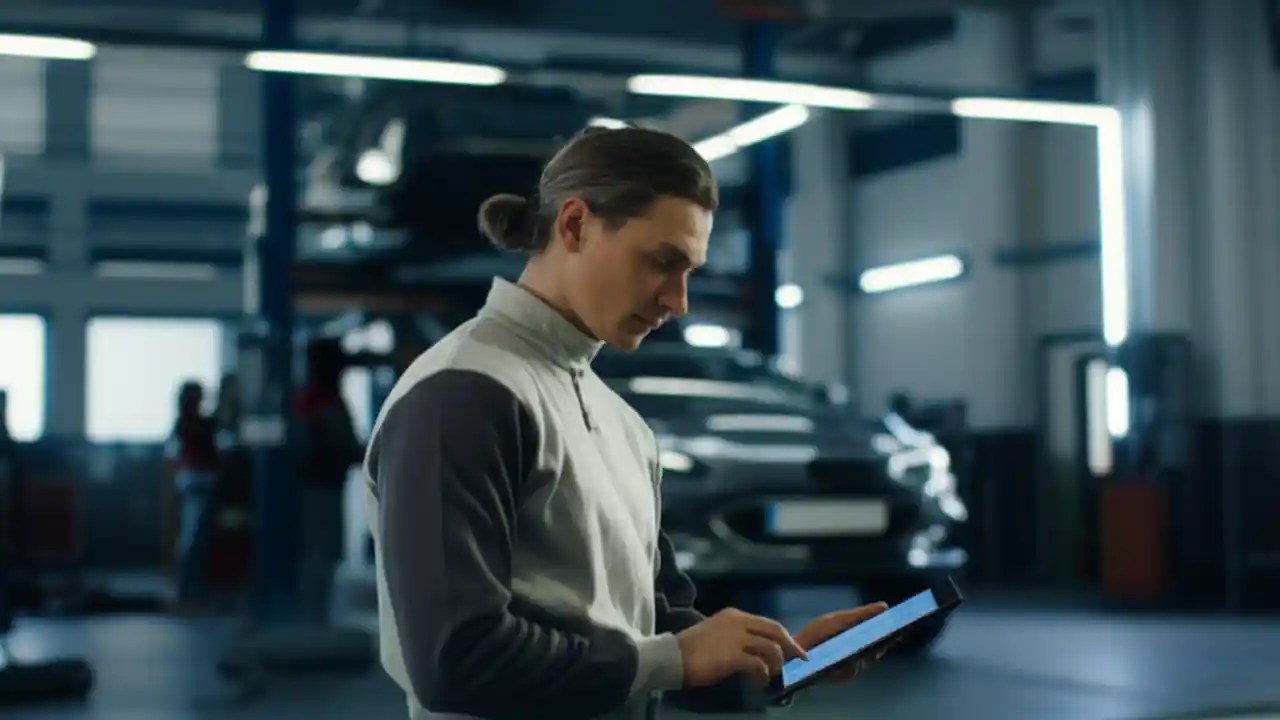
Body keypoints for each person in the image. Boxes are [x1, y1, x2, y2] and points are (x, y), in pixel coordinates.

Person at [361, 126, 888, 720]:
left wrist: (779, 664)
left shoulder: (623, 423)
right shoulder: (461, 396)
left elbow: (650, 631)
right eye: (661, 262)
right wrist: (671, 660)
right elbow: (456, 658)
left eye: (689, 270)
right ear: (576, 225)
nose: (678, 301)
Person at [295, 337, 363, 623]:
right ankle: (313, 621)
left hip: (310, 487)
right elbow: (345, 447)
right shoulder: (323, 402)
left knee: (315, 556)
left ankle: (311, 618)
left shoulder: (303, 399)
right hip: (321, 488)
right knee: (320, 557)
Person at [168, 381, 218, 612]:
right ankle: (187, 593)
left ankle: (190, 592)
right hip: (196, 482)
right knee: (192, 540)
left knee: (194, 539)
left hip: (195, 481)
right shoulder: (190, 423)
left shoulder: (193, 423)